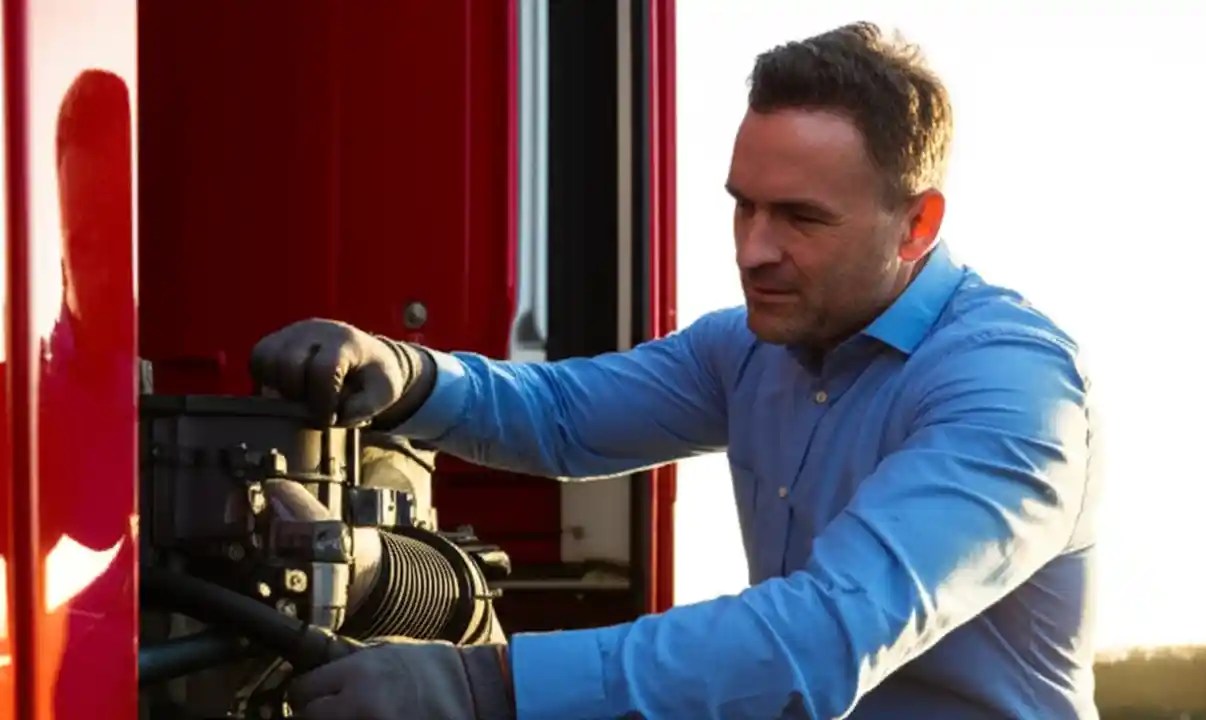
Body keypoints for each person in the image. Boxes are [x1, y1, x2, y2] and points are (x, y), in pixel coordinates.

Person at [253, 22, 1100, 720]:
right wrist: (408, 375)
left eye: (801, 217)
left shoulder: (1009, 386)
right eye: (744, 204)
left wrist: (486, 688)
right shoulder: (747, 347)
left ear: (917, 224)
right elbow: (564, 415)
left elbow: (821, 635)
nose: (753, 250)